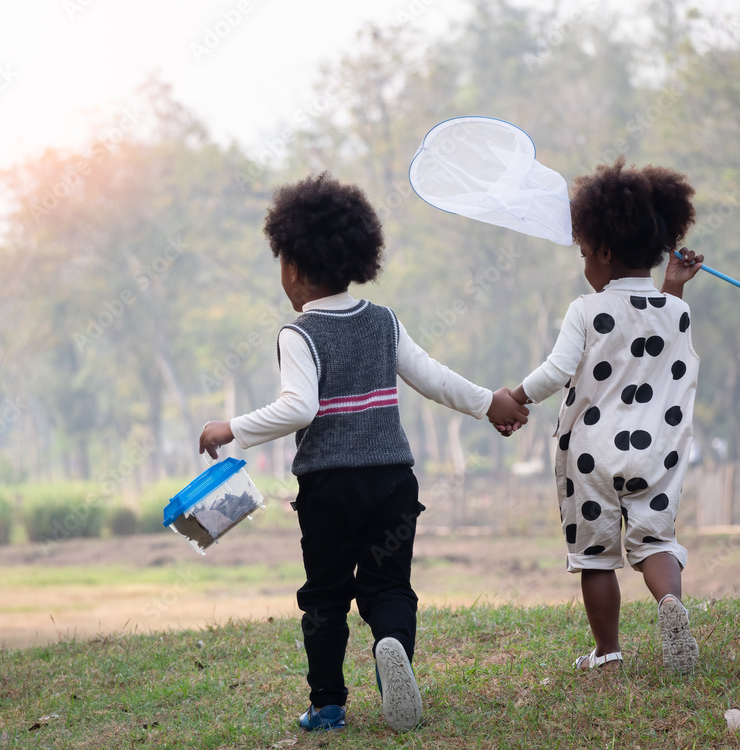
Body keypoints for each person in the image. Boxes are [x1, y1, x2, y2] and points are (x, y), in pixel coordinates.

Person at [199, 172, 528, 731]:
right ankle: (392, 647)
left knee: (324, 596)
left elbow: (299, 409)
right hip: (393, 483)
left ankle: (328, 704)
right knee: (390, 586)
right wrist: (489, 402)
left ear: (294, 268)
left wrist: (230, 428)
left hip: (329, 489)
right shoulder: (383, 321)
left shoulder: (298, 334)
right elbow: (432, 378)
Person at [505, 155, 704, 673]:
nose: (585, 264)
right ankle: (670, 606)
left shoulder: (587, 309)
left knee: (595, 555)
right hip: (656, 454)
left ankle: (607, 651)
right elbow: (653, 336)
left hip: (591, 454)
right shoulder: (677, 310)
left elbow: (554, 372)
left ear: (606, 251)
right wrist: (674, 284)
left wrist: (515, 396)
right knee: (655, 539)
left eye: (586, 252)